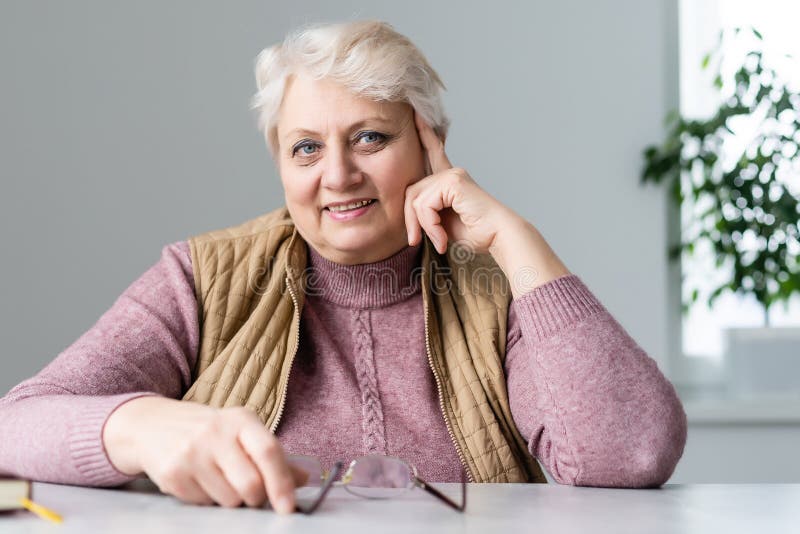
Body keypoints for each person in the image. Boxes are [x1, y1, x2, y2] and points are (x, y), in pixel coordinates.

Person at [0, 20, 687, 515]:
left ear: (429, 144)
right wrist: (142, 428)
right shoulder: (203, 277)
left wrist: (516, 241)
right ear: (279, 162)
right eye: (305, 149)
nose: (337, 175)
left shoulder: (492, 288)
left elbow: (629, 455)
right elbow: (15, 426)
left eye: (370, 137)